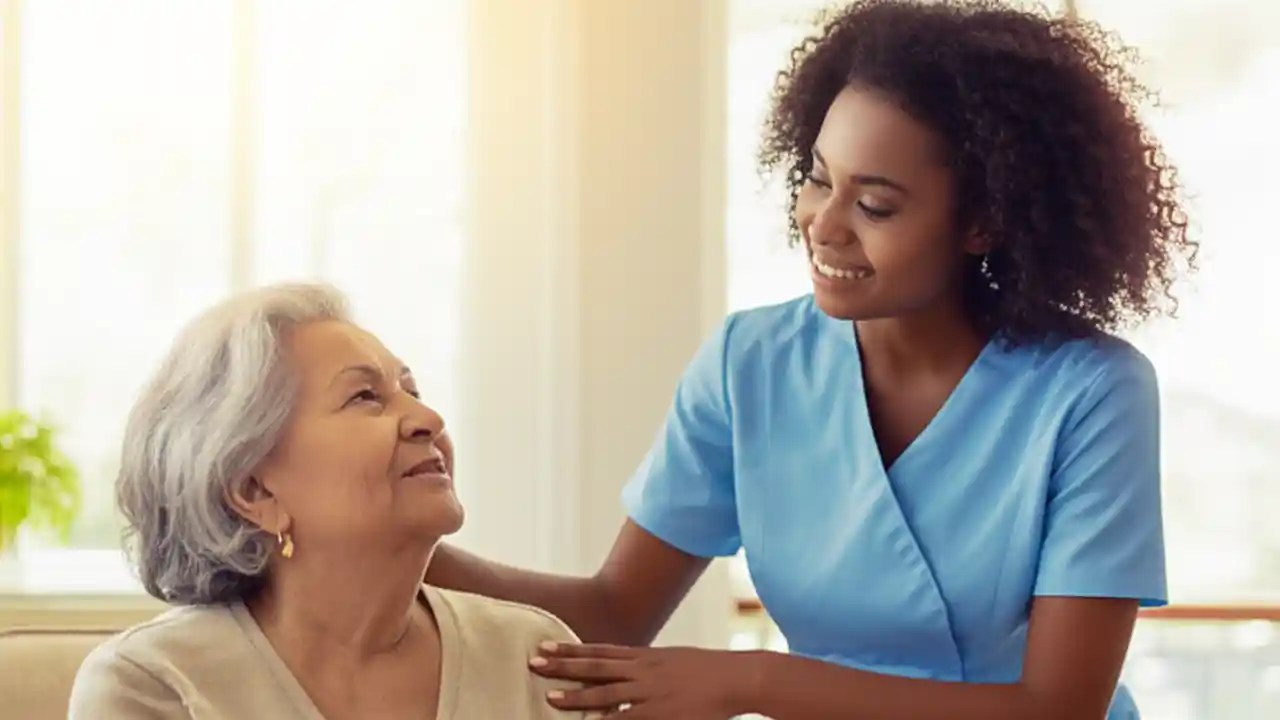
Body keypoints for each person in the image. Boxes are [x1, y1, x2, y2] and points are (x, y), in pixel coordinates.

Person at [425, 1, 1196, 718]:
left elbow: (1058, 707)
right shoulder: (748, 364)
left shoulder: (1092, 392)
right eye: (818, 178)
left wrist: (754, 680)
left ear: (985, 223)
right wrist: (399, 545)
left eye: (875, 205)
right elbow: (613, 610)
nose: (822, 225)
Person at [69, 283, 593, 719]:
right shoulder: (152, 686)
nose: (428, 419)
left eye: (412, 389)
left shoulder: (533, 656)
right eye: (365, 397)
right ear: (256, 491)